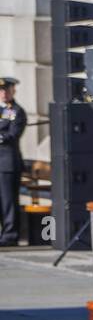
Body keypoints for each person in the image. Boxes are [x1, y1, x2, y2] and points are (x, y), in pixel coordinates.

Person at [0, 77, 27, 246]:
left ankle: (10, 235)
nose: (3, 94)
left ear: (13, 91)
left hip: (7, 163)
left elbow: (12, 135)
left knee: (8, 201)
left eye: (6, 90)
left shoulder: (16, 111)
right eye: (1, 91)